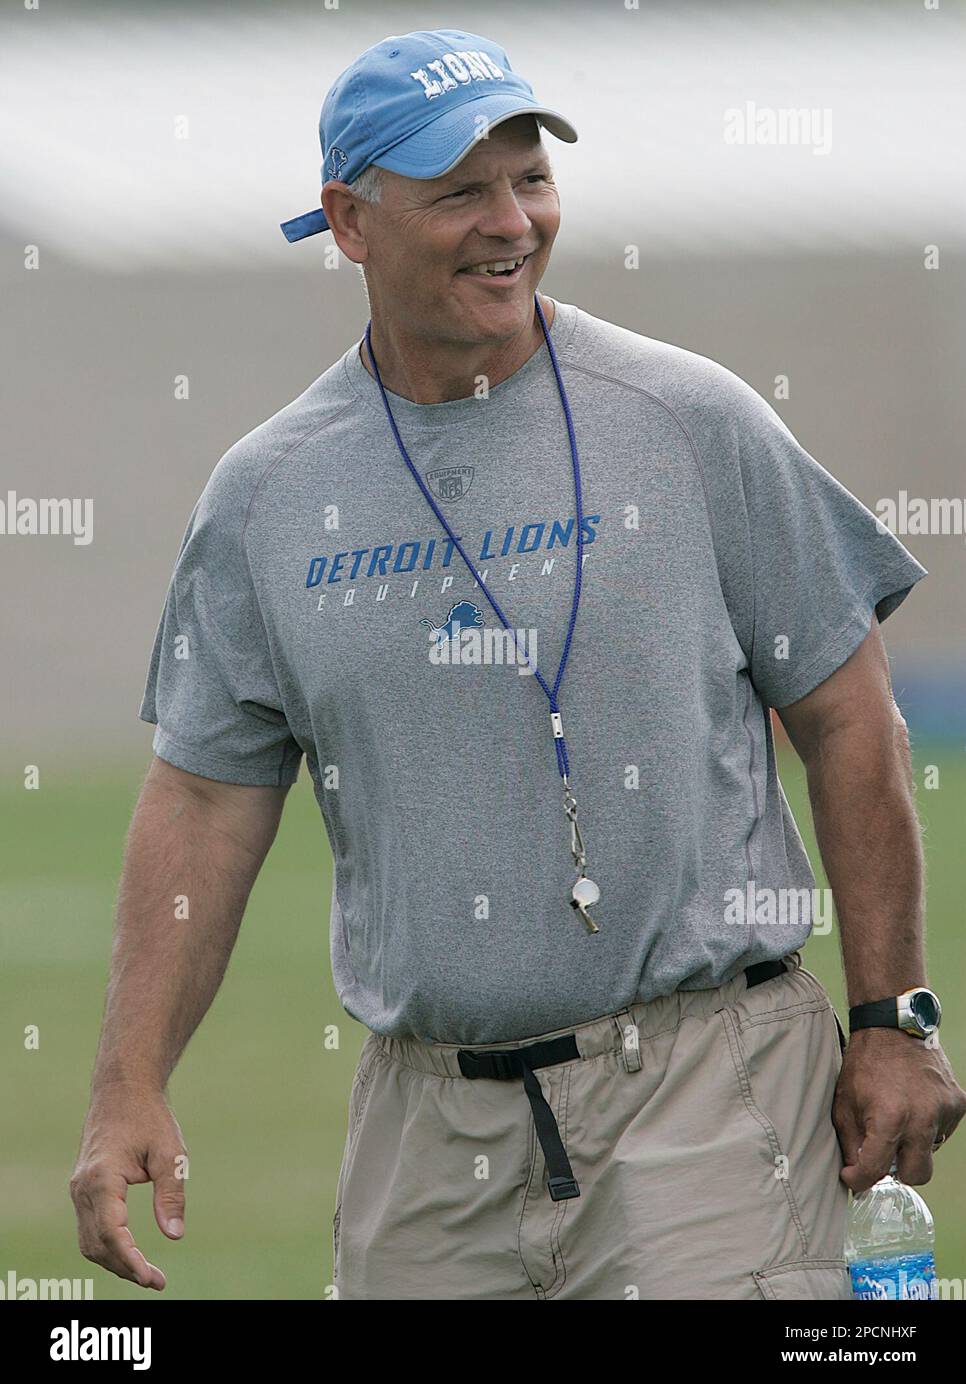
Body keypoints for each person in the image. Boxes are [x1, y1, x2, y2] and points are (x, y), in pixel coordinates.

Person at [70, 28, 964, 1301]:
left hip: (709, 1092)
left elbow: (849, 713)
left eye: (529, 179)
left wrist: (891, 1018)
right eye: (458, 193)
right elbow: (206, 800)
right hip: (424, 1129)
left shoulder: (689, 418)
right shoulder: (267, 496)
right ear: (350, 220)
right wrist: (127, 1085)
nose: (512, 222)